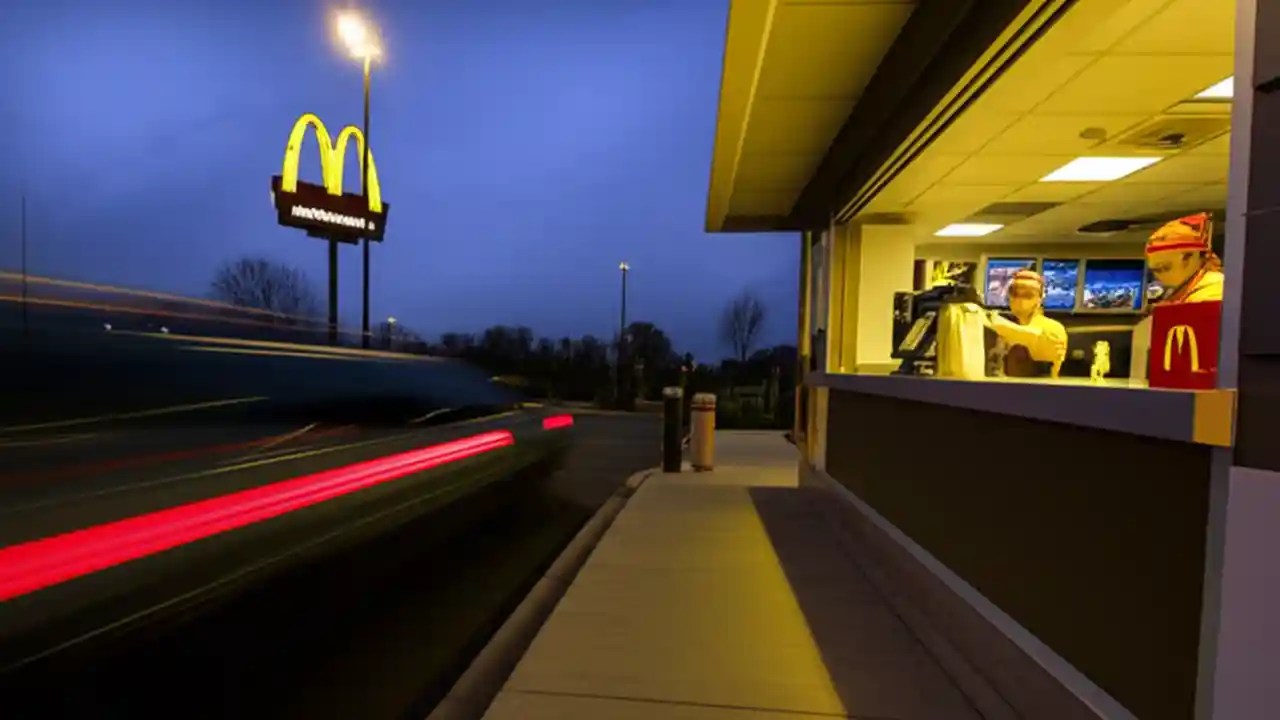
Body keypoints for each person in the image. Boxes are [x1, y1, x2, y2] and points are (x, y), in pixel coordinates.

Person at [985, 270, 1068, 378]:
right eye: (1014, 293)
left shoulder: (1054, 328)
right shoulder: (1001, 323)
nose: (1020, 300)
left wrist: (1000, 326)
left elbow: (1045, 342)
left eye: (1028, 295)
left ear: (1039, 298)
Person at [1145, 211, 1223, 304]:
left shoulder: (1213, 294)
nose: (1159, 278)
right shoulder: (1181, 288)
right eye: (1154, 270)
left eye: (1164, 268)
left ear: (1190, 257)